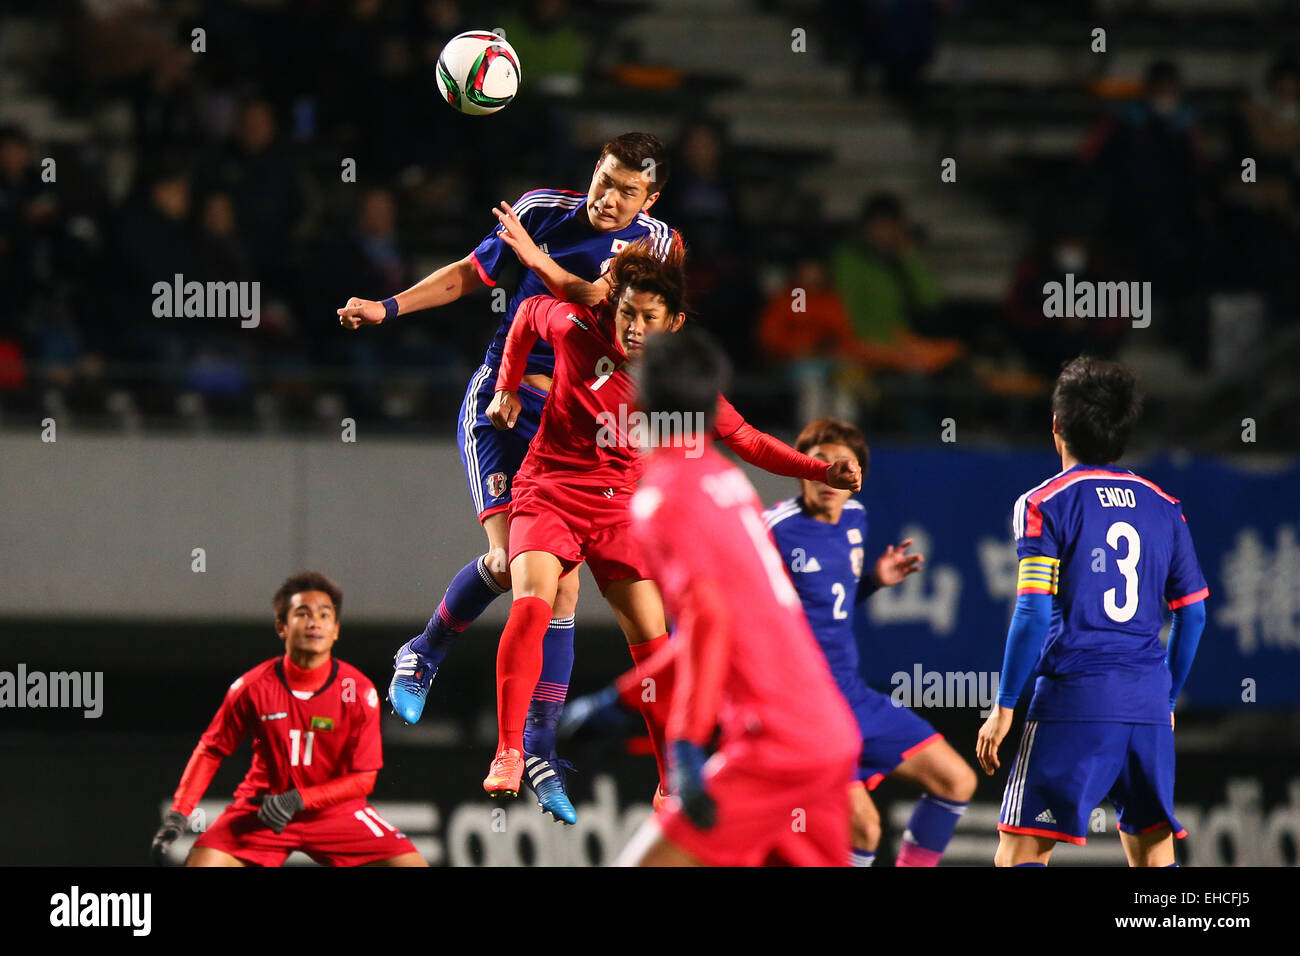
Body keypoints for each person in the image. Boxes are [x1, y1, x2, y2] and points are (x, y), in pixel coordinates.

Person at [337, 134, 678, 817]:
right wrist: (389, 307)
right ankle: (425, 652)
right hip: (511, 403)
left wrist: (533, 256)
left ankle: (538, 749)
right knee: (512, 562)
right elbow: (469, 274)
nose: (608, 198)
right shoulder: (545, 208)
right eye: (603, 179)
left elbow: (597, 298)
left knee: (562, 588)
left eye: (626, 191)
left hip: (578, 426)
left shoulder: (659, 245)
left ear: (652, 199)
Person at [482, 239, 861, 815]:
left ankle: (671, 783)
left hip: (620, 509)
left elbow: (749, 439)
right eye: (627, 312)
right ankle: (509, 751)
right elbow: (528, 314)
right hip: (551, 487)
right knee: (531, 597)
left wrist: (818, 470)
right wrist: (507, 385)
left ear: (675, 323)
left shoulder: (680, 399)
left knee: (652, 641)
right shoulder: (578, 325)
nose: (632, 327)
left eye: (647, 319)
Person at [612, 328, 861, 866]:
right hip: (826, 732)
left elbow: (707, 619)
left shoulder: (662, 497)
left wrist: (684, 746)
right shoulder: (726, 480)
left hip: (775, 746)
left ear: (638, 402)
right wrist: (625, 699)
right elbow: (723, 618)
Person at [976, 357, 1208, 866]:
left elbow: (1034, 614)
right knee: (1152, 854)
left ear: (1056, 426)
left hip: (1075, 697)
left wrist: (1005, 704)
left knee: (1019, 855)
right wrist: (1164, 697)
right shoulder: (1164, 505)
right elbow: (1192, 615)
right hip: (1146, 703)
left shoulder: (1044, 503)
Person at [764, 418, 978, 866]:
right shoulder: (772, 532)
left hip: (855, 698)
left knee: (956, 781)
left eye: (846, 465)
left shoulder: (855, 519)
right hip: (806, 710)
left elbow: (828, 601)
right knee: (864, 827)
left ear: (858, 476)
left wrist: (873, 582)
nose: (832, 473)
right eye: (819, 462)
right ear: (799, 468)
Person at [149, 572, 425, 867]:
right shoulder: (252, 687)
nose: (314, 622)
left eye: (324, 614)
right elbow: (211, 750)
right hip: (264, 808)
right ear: (281, 626)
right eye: (302, 613)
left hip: (335, 813)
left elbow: (364, 779)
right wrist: (179, 813)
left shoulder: (358, 691)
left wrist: (297, 800)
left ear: (335, 630)